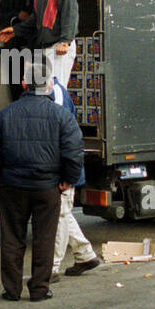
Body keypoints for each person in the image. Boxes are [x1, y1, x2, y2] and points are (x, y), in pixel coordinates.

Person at [0, 60, 84, 301]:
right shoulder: (61, 115)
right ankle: (39, 289)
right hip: (47, 187)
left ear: (24, 83)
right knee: (44, 239)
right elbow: (74, 150)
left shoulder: (5, 115)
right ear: (49, 85)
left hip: (12, 187)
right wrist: (67, 180)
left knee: (12, 238)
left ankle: (12, 290)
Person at [0, 0, 78, 90]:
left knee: (56, 91)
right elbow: (36, 18)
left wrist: (65, 41)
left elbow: (70, 14)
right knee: (44, 92)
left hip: (58, 47)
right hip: (45, 48)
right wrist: (16, 30)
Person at [49, 77, 101, 278]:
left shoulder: (56, 96)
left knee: (59, 216)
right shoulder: (49, 93)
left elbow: (64, 140)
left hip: (64, 171)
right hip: (64, 169)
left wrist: (66, 176)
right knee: (63, 214)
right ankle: (85, 255)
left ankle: (52, 268)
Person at [0, 0, 36, 102]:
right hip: (13, 47)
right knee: (15, 86)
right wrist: (17, 16)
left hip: (34, 48)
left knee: (36, 85)